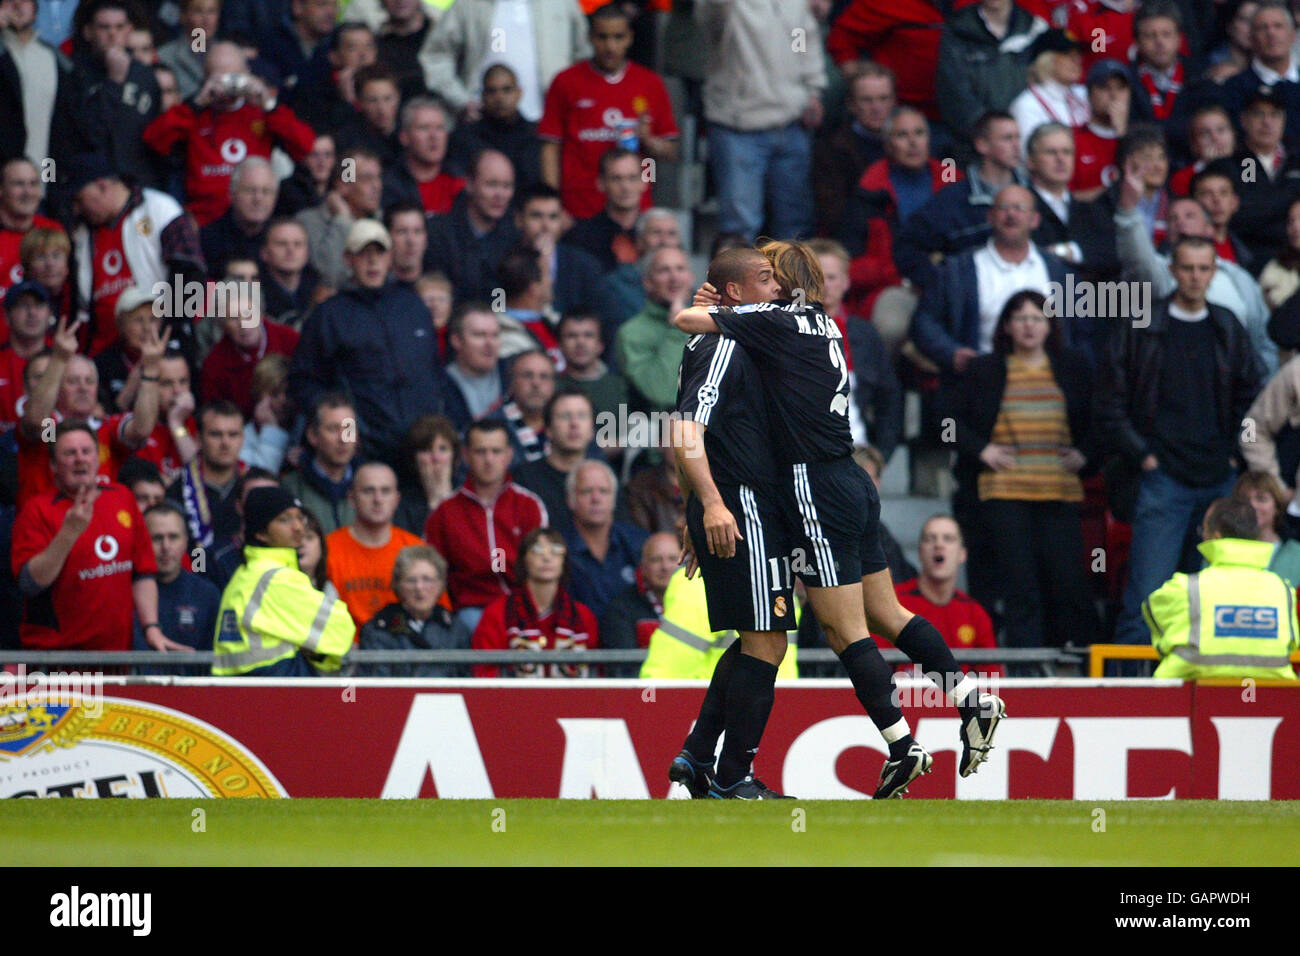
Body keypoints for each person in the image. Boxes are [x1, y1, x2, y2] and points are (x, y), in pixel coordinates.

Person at [674, 240, 1005, 799]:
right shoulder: (822, 323)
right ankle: (970, 697)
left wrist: (711, 301)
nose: (771, 284)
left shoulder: (771, 320)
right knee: (886, 612)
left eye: (771, 274)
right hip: (853, 477)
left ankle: (902, 746)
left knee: (841, 629)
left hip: (813, 485)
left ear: (783, 286)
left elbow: (686, 319)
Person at [663, 246, 801, 798]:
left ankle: (698, 757)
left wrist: (692, 510)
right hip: (740, 507)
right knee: (766, 642)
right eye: (766, 277)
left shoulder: (741, 337)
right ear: (736, 294)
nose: (777, 285)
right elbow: (687, 428)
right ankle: (733, 775)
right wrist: (710, 507)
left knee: (755, 640)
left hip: (737, 504)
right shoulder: (721, 342)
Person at [1098, 235, 1264, 655]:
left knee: (1214, 599)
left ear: (1215, 271)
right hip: (1162, 478)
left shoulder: (1228, 325)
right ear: (1172, 270)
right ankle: (1123, 697)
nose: (1195, 277)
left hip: (1218, 477)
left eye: (1204, 268)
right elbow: (1109, 400)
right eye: (1187, 268)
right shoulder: (1140, 324)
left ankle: (1206, 690)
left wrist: (1233, 452)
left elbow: (1251, 397)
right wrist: (1144, 456)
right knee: (1146, 599)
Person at [943, 289, 1100, 655]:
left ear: (1050, 326)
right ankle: (1025, 665)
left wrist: (1085, 453)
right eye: (1021, 319)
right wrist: (982, 449)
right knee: (1019, 584)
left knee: (1066, 582)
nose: (1029, 326)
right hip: (1003, 492)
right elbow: (947, 422)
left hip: (1058, 490)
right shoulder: (985, 369)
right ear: (1007, 327)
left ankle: (1066, 661)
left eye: (1037, 318)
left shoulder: (1074, 366)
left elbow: (1100, 420)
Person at [290, 219, 459, 466]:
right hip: (366, 451)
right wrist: (344, 431)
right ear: (348, 259)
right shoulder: (328, 315)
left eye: (379, 252)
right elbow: (304, 381)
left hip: (423, 446)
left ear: (390, 257)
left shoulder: (414, 306)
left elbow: (436, 373)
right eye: (363, 253)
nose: (372, 261)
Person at [11, 421, 186, 652]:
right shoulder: (37, 510)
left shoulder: (122, 497)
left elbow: (142, 573)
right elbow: (29, 583)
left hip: (116, 655)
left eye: (86, 451)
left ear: (97, 458)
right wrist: (69, 533)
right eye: (69, 453)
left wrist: (151, 628)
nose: (80, 459)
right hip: (57, 658)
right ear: (53, 465)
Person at [1114, 158, 1277, 377]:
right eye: (1172, 219)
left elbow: (1262, 340)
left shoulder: (1238, 277)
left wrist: (1261, 389)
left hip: (1233, 389)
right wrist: (1128, 210)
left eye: (1189, 216)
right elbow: (1138, 260)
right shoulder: (1162, 271)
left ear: (1209, 229)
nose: (1180, 222)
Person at [910, 183, 1084, 373]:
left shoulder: (1060, 271)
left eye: (1019, 208)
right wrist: (952, 353)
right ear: (990, 217)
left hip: (1048, 379)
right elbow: (924, 322)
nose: (1011, 215)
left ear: (1035, 220)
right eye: (1003, 208)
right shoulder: (956, 270)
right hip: (980, 382)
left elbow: (1083, 332)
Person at [142, 40, 315, 227]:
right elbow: (153, 140)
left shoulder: (262, 113)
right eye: (220, 78)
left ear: (247, 74)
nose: (228, 86)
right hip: (203, 220)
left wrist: (270, 105)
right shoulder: (193, 113)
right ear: (206, 77)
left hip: (253, 218)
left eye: (234, 77)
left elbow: (305, 146)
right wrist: (198, 102)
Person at [697, 0, 824, 241]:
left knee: (796, 225)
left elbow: (804, 40)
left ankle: (794, 280)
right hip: (738, 125)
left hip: (791, 123)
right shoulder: (726, 6)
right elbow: (712, 20)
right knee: (740, 228)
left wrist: (813, 89)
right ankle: (736, 280)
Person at [538, 3, 677, 220]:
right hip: (577, 210)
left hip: (635, 211)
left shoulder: (650, 83)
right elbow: (550, 147)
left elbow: (670, 150)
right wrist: (553, 206)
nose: (610, 46)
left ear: (630, 38)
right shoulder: (565, 81)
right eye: (602, 37)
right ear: (590, 37)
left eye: (618, 37)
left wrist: (649, 140)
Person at [1144, 496, 1298, 681]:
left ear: (1215, 535)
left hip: (1186, 698)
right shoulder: (1283, 590)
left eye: (1203, 530)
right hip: (1271, 700)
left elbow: (1157, 629)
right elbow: (1292, 644)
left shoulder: (1184, 588)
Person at [16, 315, 163, 507]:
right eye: (73, 381)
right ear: (57, 388)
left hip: (99, 528)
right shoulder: (50, 427)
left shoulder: (108, 428)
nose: (83, 388)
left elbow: (141, 430)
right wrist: (59, 359)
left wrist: (151, 369)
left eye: (89, 381)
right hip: (47, 526)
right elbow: (36, 422)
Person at [67, 152, 204, 356]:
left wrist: (170, 335)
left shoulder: (159, 208)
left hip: (157, 351)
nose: (76, 209)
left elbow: (190, 273)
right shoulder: (82, 232)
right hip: (103, 357)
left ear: (102, 185)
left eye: (80, 198)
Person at [212, 485, 355, 676]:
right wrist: (304, 641)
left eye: (299, 517)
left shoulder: (246, 573)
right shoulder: (277, 578)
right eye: (284, 520)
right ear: (261, 533)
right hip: (277, 690)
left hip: (245, 693)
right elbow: (341, 631)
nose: (297, 526)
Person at [425, 418, 547, 634]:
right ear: (465, 456)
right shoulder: (445, 513)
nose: (489, 460)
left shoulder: (529, 505)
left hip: (523, 607)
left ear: (509, 455)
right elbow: (433, 573)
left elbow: (543, 566)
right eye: (480, 452)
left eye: (496, 451)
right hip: (469, 611)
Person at [894, 111, 1030, 289]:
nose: (1016, 146)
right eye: (1007, 138)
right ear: (982, 145)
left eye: (1017, 138)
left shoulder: (1034, 194)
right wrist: (943, 283)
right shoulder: (951, 201)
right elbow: (907, 246)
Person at [416, 0, 590, 125]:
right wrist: (461, 100)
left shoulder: (561, 3)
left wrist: (572, 102)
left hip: (548, 124)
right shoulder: (468, 4)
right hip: (481, 124)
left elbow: (585, 55)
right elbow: (436, 56)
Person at [470, 525, 599, 678]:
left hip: (573, 700)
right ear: (523, 560)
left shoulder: (583, 616)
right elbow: (485, 674)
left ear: (564, 562)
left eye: (555, 551)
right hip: (513, 700)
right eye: (537, 550)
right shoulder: (497, 613)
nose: (547, 557)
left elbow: (597, 674)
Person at [879, 516, 1001, 677]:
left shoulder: (975, 613)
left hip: (958, 701)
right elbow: (874, 672)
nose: (939, 545)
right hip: (902, 700)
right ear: (920, 552)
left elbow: (992, 683)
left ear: (962, 554)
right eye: (930, 539)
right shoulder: (892, 603)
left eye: (948, 539)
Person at [325, 461, 424, 632]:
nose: (377, 500)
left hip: (402, 649)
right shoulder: (328, 549)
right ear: (351, 499)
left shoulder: (417, 549)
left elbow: (433, 612)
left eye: (385, 491)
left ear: (396, 500)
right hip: (344, 650)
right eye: (368, 491)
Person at [358, 545, 473, 677]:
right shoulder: (378, 630)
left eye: (427, 579)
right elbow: (376, 686)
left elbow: (466, 683)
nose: (419, 587)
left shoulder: (456, 629)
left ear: (440, 584)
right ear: (398, 585)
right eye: (411, 580)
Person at [422, 148, 519, 301]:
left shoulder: (514, 240)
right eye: (491, 185)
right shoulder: (438, 235)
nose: (500, 195)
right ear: (469, 184)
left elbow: (501, 297)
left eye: (507, 186)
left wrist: (497, 320)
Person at [813, 64, 898, 238]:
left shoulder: (915, 142)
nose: (876, 107)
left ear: (894, 101)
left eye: (883, 98)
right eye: (867, 100)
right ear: (851, 104)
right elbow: (832, 212)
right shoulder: (831, 150)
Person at [130, 502, 221, 659]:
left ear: (186, 541)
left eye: (173, 537)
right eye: (157, 538)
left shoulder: (207, 594)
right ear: (141, 541)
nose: (166, 547)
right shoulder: (122, 591)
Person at [200, 282, 300, 419]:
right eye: (233, 318)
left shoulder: (291, 340)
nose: (243, 324)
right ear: (222, 325)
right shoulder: (215, 364)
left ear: (261, 314)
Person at [294, 145, 383, 290]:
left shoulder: (382, 220)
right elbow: (330, 275)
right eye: (367, 179)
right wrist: (343, 221)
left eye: (378, 178)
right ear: (343, 185)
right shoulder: (308, 222)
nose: (377, 186)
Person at [615, 245, 692, 412]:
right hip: (656, 431)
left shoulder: (710, 322)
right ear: (647, 282)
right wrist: (677, 329)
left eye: (680, 269)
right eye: (664, 270)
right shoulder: (631, 333)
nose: (675, 277)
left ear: (691, 278)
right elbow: (661, 393)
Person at [511, 386, 597, 530]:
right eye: (565, 416)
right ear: (548, 430)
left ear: (592, 430)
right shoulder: (523, 479)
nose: (574, 424)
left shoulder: (604, 479)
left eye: (582, 416)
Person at [513, 182, 603, 317]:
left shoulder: (585, 266)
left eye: (553, 217)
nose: (546, 226)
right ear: (519, 219)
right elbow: (498, 311)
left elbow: (596, 318)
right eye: (536, 216)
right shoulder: (502, 262)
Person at [447, 63, 541, 190]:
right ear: (482, 95)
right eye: (492, 91)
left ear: (519, 93)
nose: (499, 98)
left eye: (507, 90)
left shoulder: (536, 137)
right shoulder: (464, 138)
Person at [598, 531, 676, 678]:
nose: (665, 567)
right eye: (656, 560)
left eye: (673, 559)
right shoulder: (620, 609)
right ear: (643, 566)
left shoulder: (699, 603)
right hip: (642, 694)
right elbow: (623, 669)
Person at [280, 393, 359, 534]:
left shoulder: (370, 486)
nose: (343, 438)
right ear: (312, 435)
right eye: (333, 429)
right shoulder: (290, 488)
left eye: (349, 429)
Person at [561, 147, 645, 273]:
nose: (625, 187)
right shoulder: (580, 237)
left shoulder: (657, 234)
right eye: (616, 179)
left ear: (644, 183)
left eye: (632, 178)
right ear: (601, 183)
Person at [381, 96, 465, 215]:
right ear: (404, 137)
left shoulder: (461, 181)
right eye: (424, 128)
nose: (434, 136)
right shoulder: (388, 185)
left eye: (439, 128)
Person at [199, 158, 283, 276]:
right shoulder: (207, 239)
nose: (258, 199)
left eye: (266, 191)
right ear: (232, 194)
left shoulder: (284, 237)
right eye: (250, 190)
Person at [1007, 28, 1088, 149]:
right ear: (1046, 59)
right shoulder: (1027, 105)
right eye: (1067, 54)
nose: (1076, 60)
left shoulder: (1084, 94)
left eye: (1078, 54)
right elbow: (1027, 156)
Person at [0, 159, 64, 301]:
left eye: (33, 184)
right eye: (19, 184)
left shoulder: (53, 230)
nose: (28, 192)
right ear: (2, 190)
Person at [555, 310, 628, 428]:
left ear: (600, 345)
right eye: (572, 336)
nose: (580, 342)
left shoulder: (622, 388)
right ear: (560, 346)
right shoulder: (551, 388)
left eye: (588, 335)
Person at [392, 413, 458, 536]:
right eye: (427, 450)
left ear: (453, 455)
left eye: (443, 449)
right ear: (414, 458)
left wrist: (446, 498)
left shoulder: (470, 493)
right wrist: (433, 502)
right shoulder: (401, 505)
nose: (436, 457)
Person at [1234, 471, 1300, 586]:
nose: (1252, 506)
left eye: (1261, 499)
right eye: (1245, 500)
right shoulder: (1223, 550)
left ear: (1277, 507)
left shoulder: (1296, 553)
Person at [259, 217, 324, 329]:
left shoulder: (321, 291)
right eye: (281, 244)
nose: (290, 250)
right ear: (265, 252)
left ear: (307, 253)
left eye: (298, 244)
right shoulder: (253, 296)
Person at [240, 354, 294, 473]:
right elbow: (264, 475)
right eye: (275, 394)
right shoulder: (243, 438)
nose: (283, 400)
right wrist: (271, 429)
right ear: (260, 396)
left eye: (289, 392)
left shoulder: (303, 429)